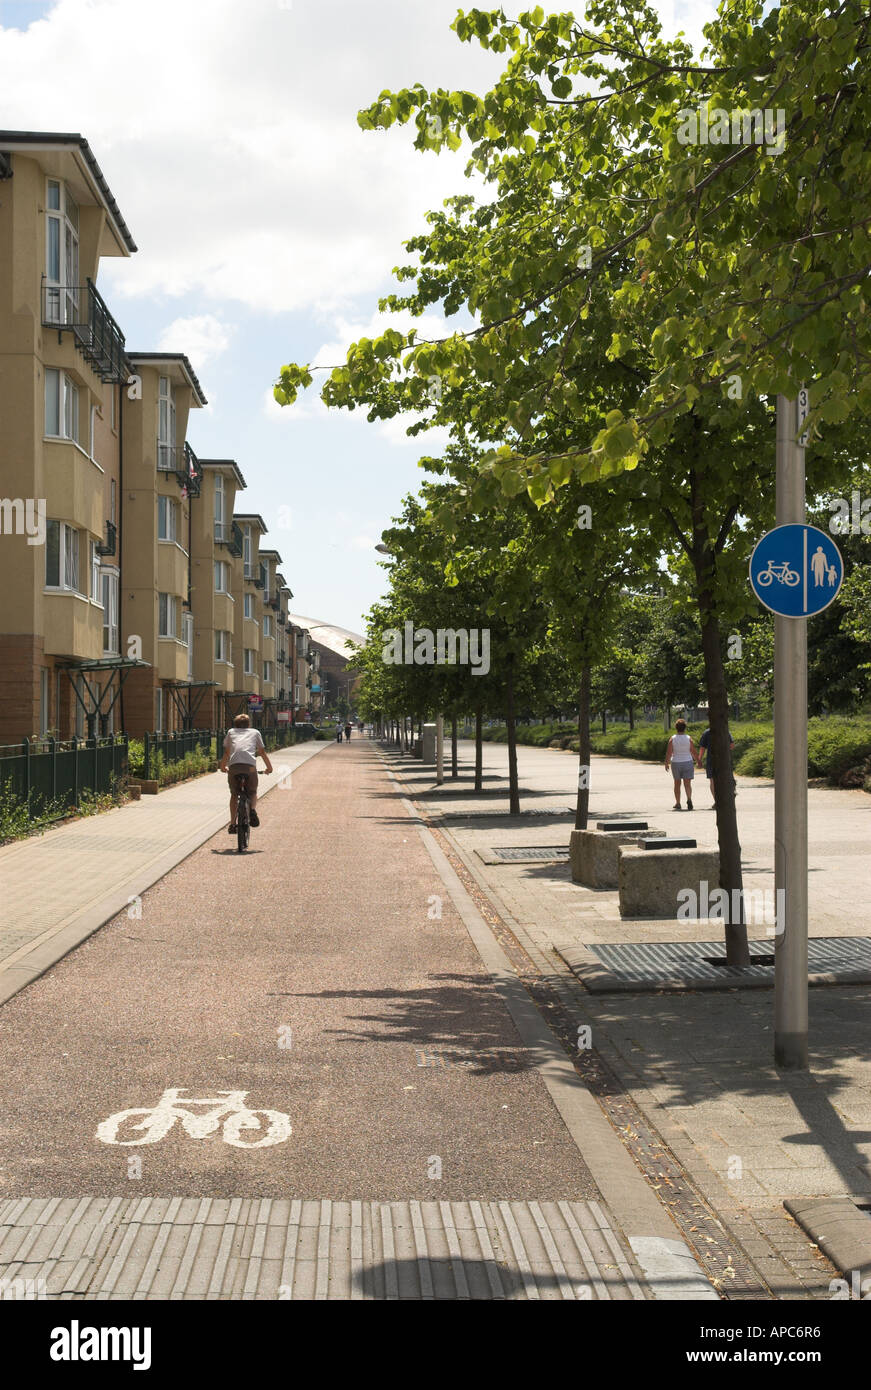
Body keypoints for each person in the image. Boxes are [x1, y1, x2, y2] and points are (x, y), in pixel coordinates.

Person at [218, 713, 273, 834]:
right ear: (249, 724)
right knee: (252, 791)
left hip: (234, 767)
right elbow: (262, 752)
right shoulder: (255, 732)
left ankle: (233, 824)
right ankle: (252, 809)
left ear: (235, 724)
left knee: (234, 795)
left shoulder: (231, 732)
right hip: (250, 768)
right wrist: (269, 768)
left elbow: (227, 752)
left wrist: (222, 767)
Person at [697, 723, 736, 807]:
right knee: (725, 779)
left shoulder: (706, 733)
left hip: (711, 760)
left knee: (713, 782)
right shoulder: (726, 732)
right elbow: (732, 745)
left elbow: (702, 748)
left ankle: (717, 801)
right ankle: (727, 798)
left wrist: (699, 759)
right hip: (724, 760)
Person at [664, 718, 699, 811]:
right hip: (688, 762)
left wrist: (666, 763)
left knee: (677, 783)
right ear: (685, 728)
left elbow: (669, 752)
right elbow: (693, 751)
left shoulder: (673, 739)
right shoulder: (688, 738)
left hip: (676, 762)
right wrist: (698, 761)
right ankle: (689, 799)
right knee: (687, 784)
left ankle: (678, 803)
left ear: (676, 728)